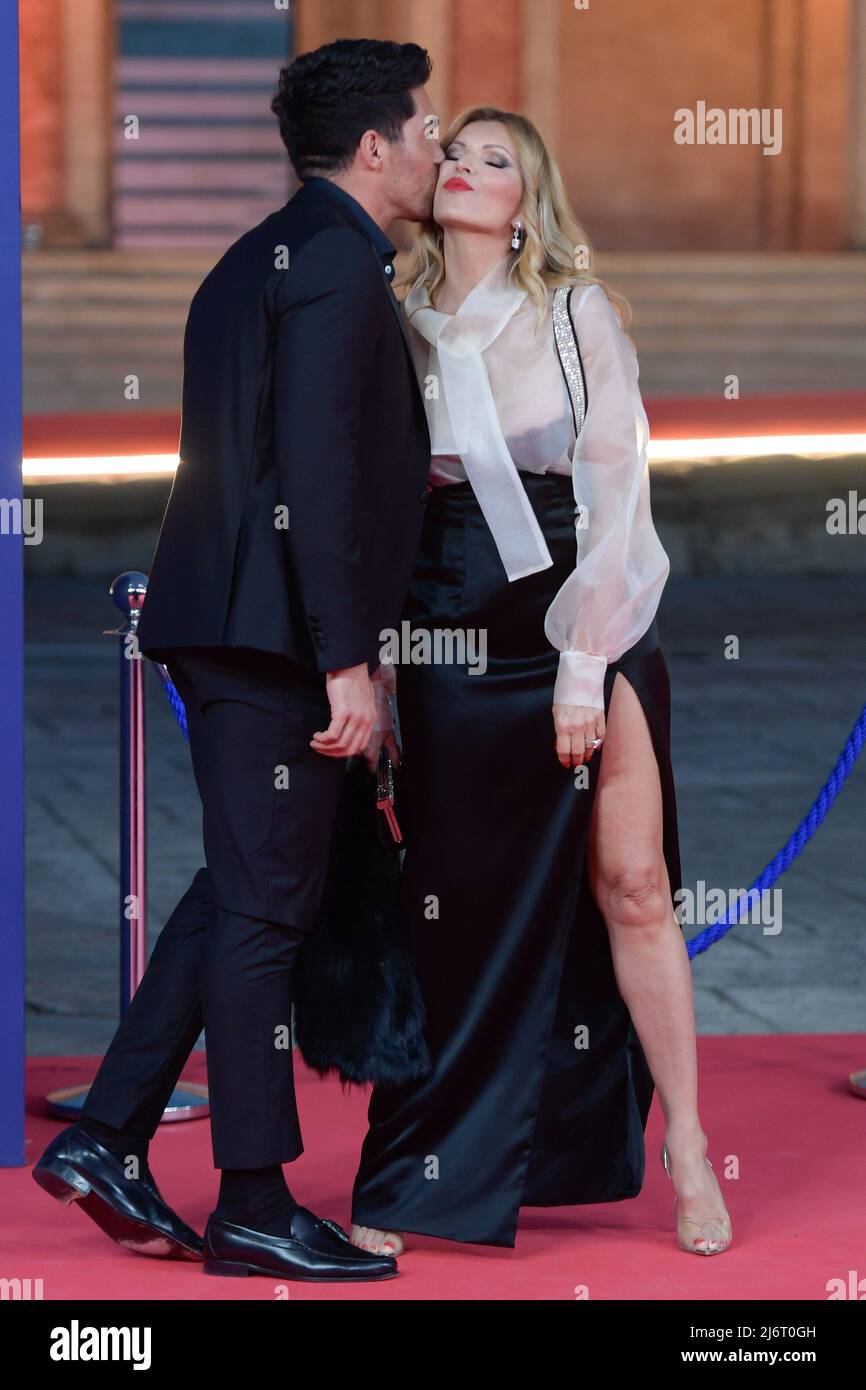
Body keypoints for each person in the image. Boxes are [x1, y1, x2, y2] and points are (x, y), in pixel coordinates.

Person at [32, 38, 443, 1283]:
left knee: (240, 892)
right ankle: (255, 1199)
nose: (433, 146)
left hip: (233, 623)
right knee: (267, 913)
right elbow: (309, 473)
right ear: (373, 147)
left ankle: (106, 1134)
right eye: (422, 130)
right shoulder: (331, 266)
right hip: (275, 641)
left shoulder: (264, 256)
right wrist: (346, 661)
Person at [349, 107, 733, 1258]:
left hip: (583, 612)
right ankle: (412, 1174)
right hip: (447, 630)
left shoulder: (574, 315)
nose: (467, 169)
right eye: (454, 154)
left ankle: (686, 1148)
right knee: (451, 907)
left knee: (630, 883)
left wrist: (583, 661)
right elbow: (372, 504)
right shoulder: (395, 323)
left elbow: (618, 489)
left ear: (529, 198)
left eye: (495, 159)